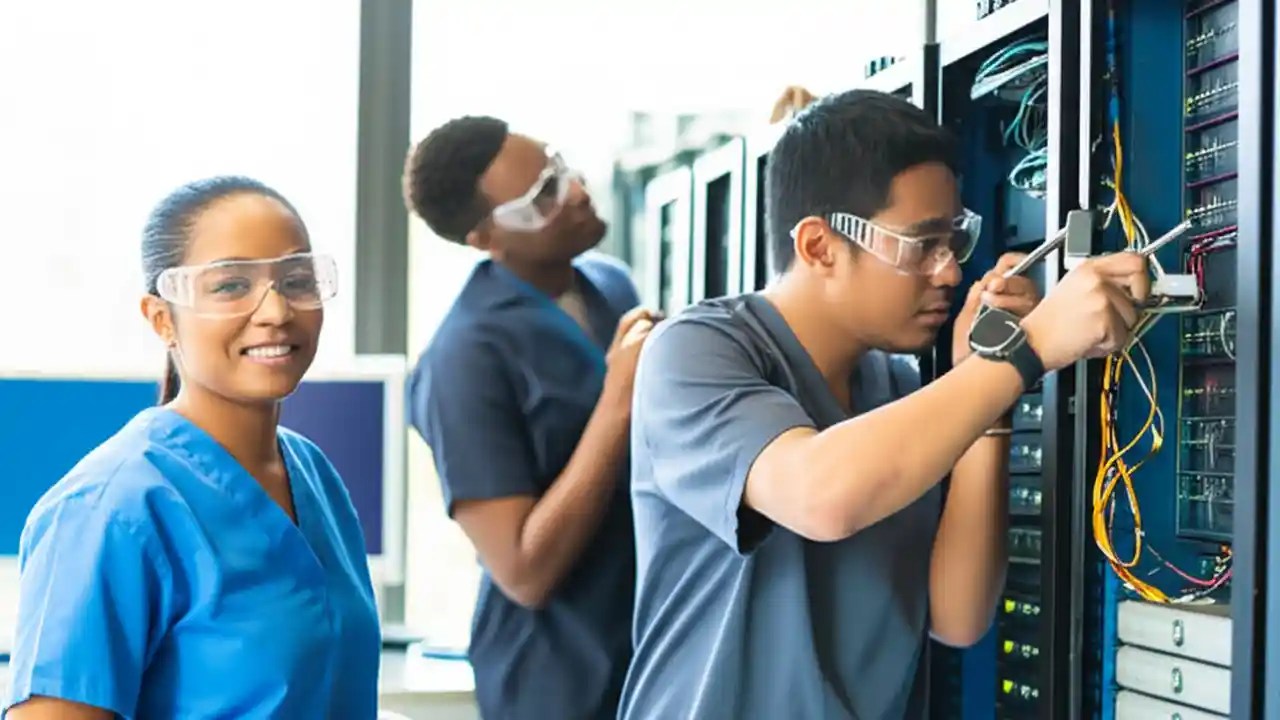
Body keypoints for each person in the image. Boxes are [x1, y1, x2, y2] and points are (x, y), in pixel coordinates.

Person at [619, 90, 1152, 719]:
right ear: (819, 246)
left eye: (955, 241)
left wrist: (989, 387)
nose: (950, 272)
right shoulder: (695, 352)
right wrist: (1028, 350)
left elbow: (958, 617)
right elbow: (822, 497)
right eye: (923, 244)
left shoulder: (899, 392)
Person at [4, 177, 381, 719]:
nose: (275, 310)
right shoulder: (111, 509)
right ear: (162, 319)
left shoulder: (314, 475)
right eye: (231, 285)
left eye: (297, 278)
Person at [402, 116, 655, 719]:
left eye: (560, 166)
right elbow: (523, 571)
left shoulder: (607, 285)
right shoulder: (463, 359)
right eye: (543, 194)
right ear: (486, 237)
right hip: (554, 680)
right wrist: (618, 400)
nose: (575, 191)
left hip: (640, 649)